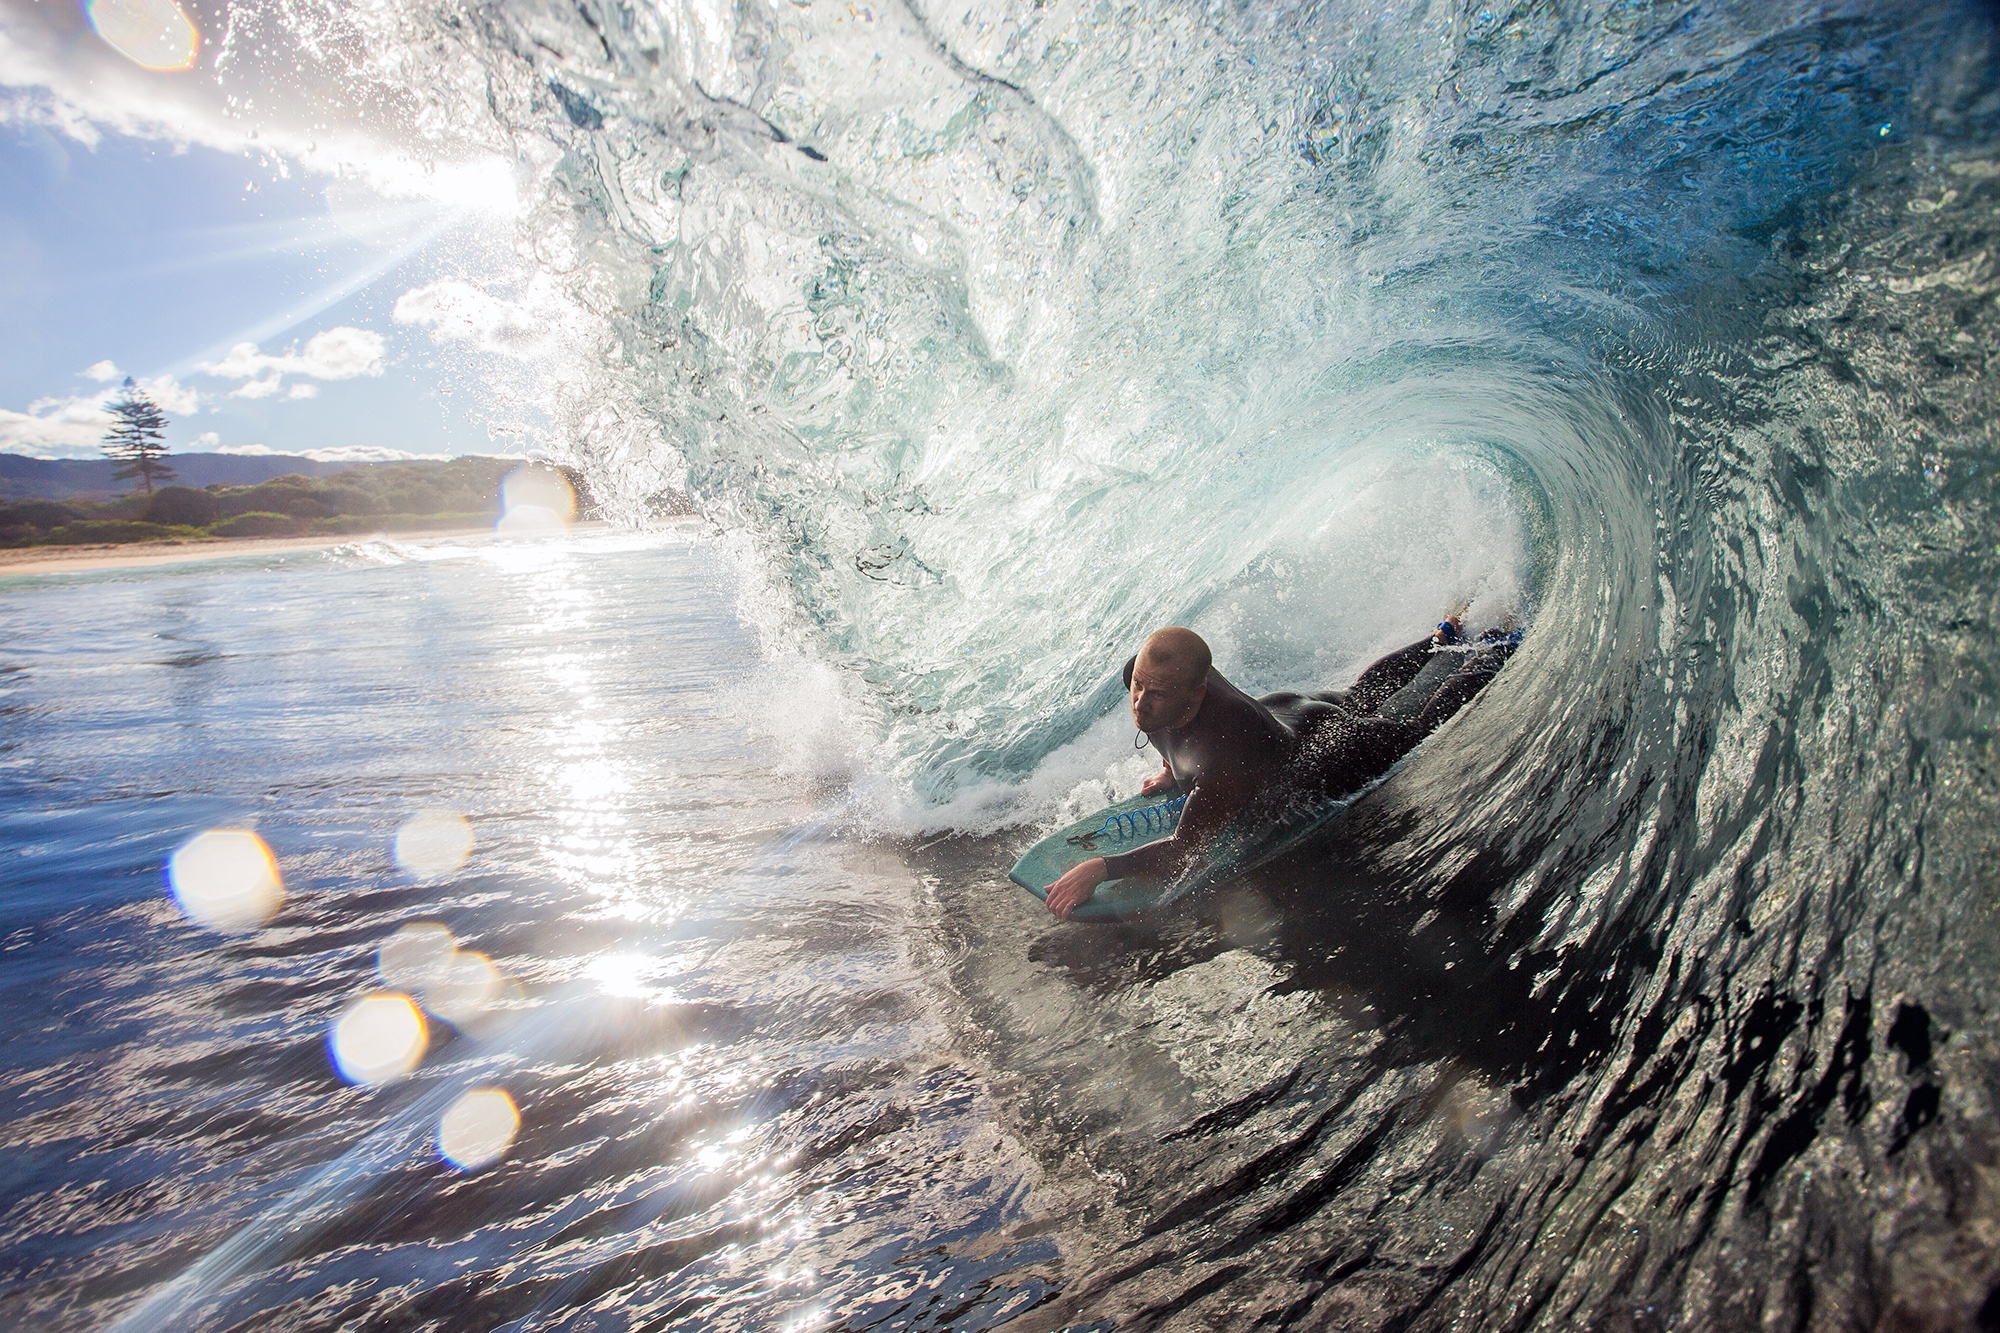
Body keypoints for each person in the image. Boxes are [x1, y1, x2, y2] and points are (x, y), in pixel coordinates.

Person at [1042, 617, 1518, 920]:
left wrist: (1102, 869)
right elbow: (1164, 715)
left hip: (1325, 750)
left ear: (1196, 695)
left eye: (1158, 694)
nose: (1141, 704)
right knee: (1359, 695)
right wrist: (1172, 768)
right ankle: (1444, 636)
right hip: (1283, 712)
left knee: (1413, 726)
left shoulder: (1224, 763)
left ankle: (1499, 646)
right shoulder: (1150, 674)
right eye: (1138, 687)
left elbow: (1184, 852)